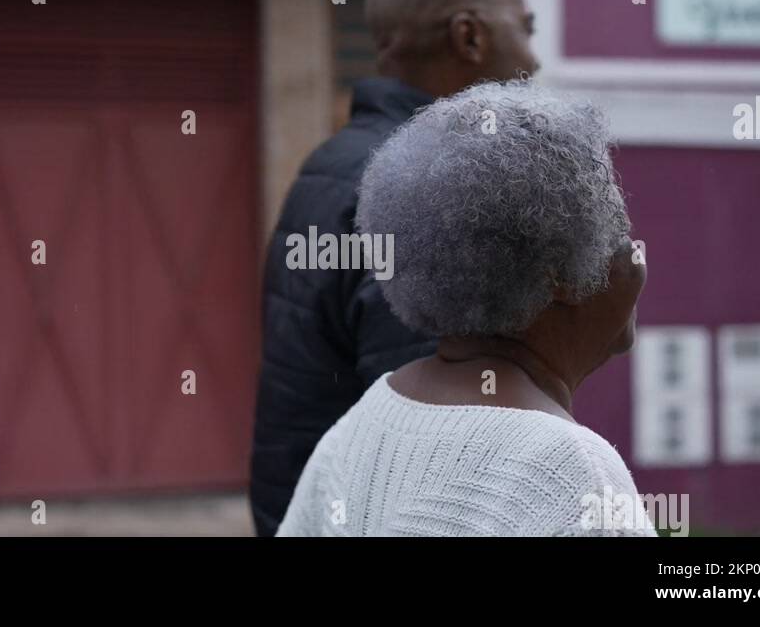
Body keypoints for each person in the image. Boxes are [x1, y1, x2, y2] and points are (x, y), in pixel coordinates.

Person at [277, 81, 656, 537]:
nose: (635, 251)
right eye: (618, 228)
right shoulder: (573, 476)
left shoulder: (358, 428)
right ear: (559, 277)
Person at [251, 0, 541, 538]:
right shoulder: (434, 184)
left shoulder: (333, 162)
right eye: (527, 29)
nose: (535, 57)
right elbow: (438, 451)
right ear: (469, 37)